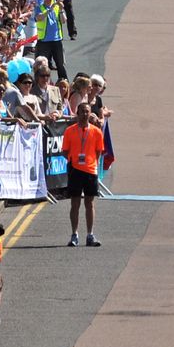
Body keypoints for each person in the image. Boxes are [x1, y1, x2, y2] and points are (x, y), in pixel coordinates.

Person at [62, 101, 104, 247]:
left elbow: (98, 151)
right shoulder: (70, 131)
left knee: (89, 203)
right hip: (75, 170)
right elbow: (65, 151)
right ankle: (74, 235)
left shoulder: (96, 131)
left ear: (90, 113)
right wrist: (74, 160)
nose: (85, 114)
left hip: (90, 170)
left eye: (87, 111)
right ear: (77, 114)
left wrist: (91, 163)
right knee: (75, 203)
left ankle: (90, 235)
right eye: (82, 112)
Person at [32, 0, 69, 81]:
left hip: (56, 40)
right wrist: (49, 9)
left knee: (60, 64)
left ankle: (64, 81)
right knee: (42, 65)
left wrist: (61, 10)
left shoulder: (56, 8)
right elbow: (39, 18)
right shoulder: (40, 7)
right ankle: (41, 82)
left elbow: (63, 20)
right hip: (44, 41)